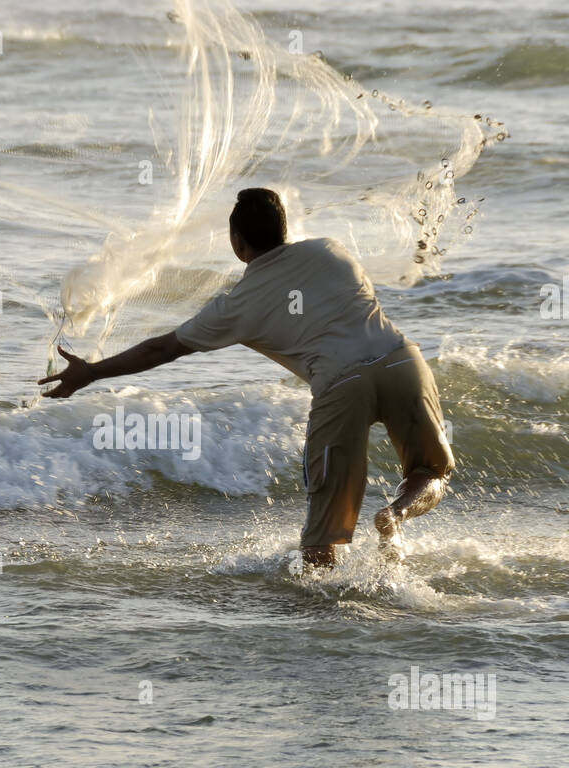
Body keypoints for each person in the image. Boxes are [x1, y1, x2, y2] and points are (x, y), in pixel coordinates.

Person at [38, 187, 454, 567]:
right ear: (284, 228)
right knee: (432, 471)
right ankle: (395, 514)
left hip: (341, 384)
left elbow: (159, 349)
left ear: (237, 244)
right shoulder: (332, 250)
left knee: (321, 542)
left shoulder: (236, 306)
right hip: (403, 364)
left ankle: (320, 628)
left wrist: (90, 372)